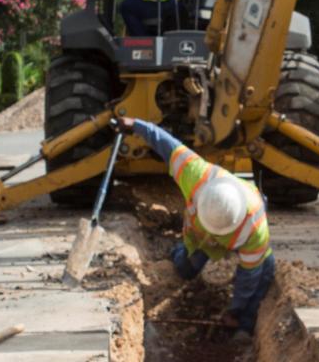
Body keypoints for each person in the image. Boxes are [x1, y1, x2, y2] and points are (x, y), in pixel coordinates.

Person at [118, 117, 275, 335]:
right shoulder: (197, 176)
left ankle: (245, 328)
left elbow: (248, 277)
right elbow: (166, 143)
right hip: (199, 237)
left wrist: (235, 310)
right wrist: (135, 124)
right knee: (185, 268)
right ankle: (177, 254)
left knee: (265, 270)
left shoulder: (255, 229)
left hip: (236, 238)